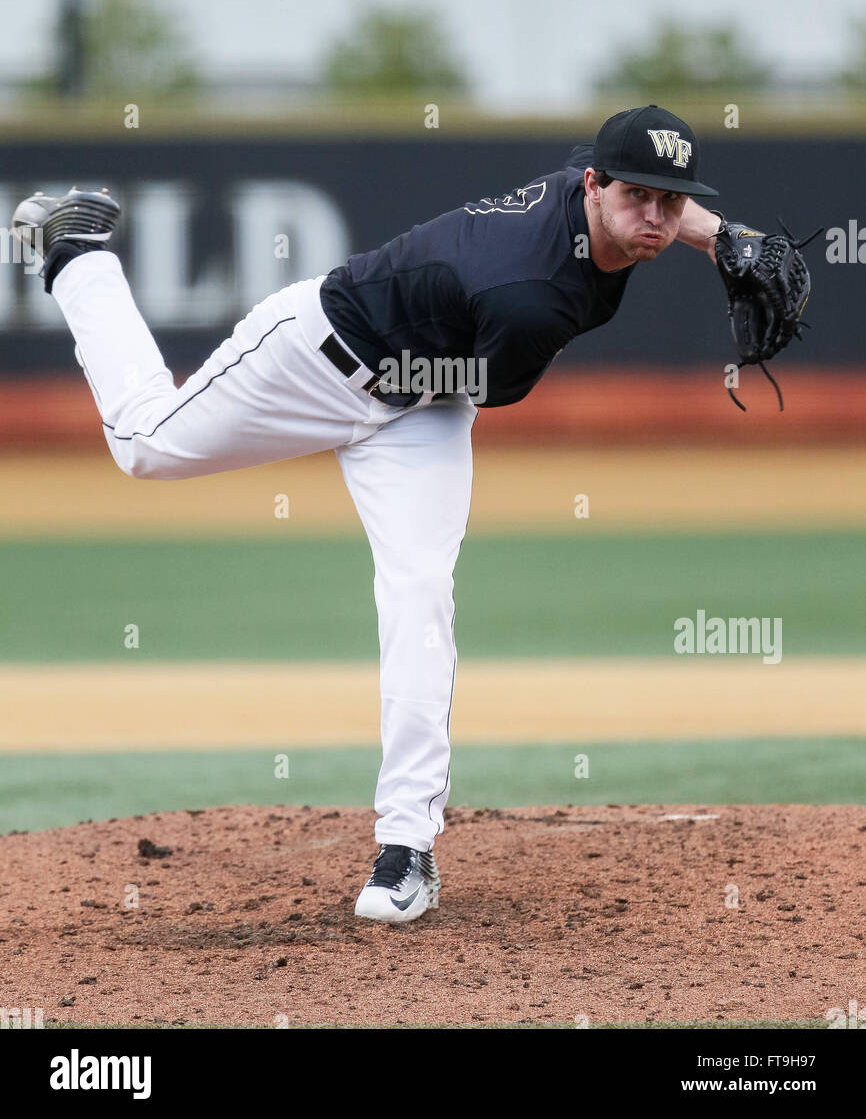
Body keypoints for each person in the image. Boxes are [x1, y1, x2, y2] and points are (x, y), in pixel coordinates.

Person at [12, 103, 727, 924]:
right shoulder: (528, 294)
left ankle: (405, 849)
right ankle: (78, 253)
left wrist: (724, 236)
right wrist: (699, 233)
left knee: (421, 593)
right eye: (640, 197)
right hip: (315, 358)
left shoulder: (600, 196)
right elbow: (496, 384)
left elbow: (658, 198)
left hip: (423, 403)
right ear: (594, 185)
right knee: (143, 444)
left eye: (672, 203)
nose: (657, 217)